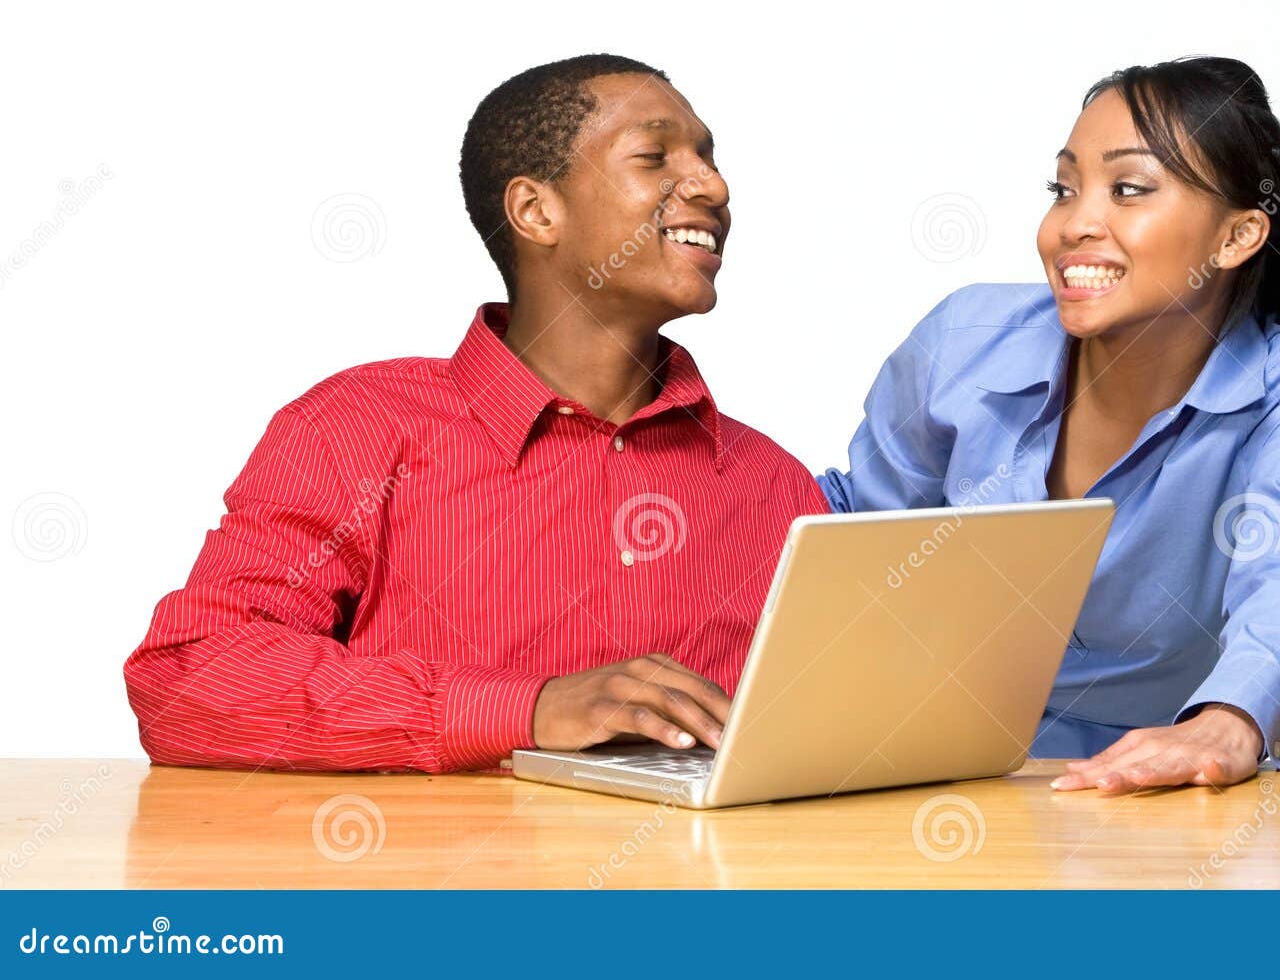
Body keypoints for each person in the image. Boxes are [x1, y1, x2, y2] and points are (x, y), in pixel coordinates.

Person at [125, 54, 828, 772]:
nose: (713, 186)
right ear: (535, 211)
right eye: (655, 157)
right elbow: (190, 679)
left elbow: (841, 730)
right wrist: (528, 708)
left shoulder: (774, 486)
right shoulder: (356, 429)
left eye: (709, 158)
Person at [821, 56, 1280, 795]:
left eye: (1128, 189)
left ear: (1237, 236)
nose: (1074, 224)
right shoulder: (964, 340)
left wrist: (1232, 718)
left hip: (1150, 789)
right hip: (929, 772)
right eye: (1063, 189)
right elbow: (851, 534)